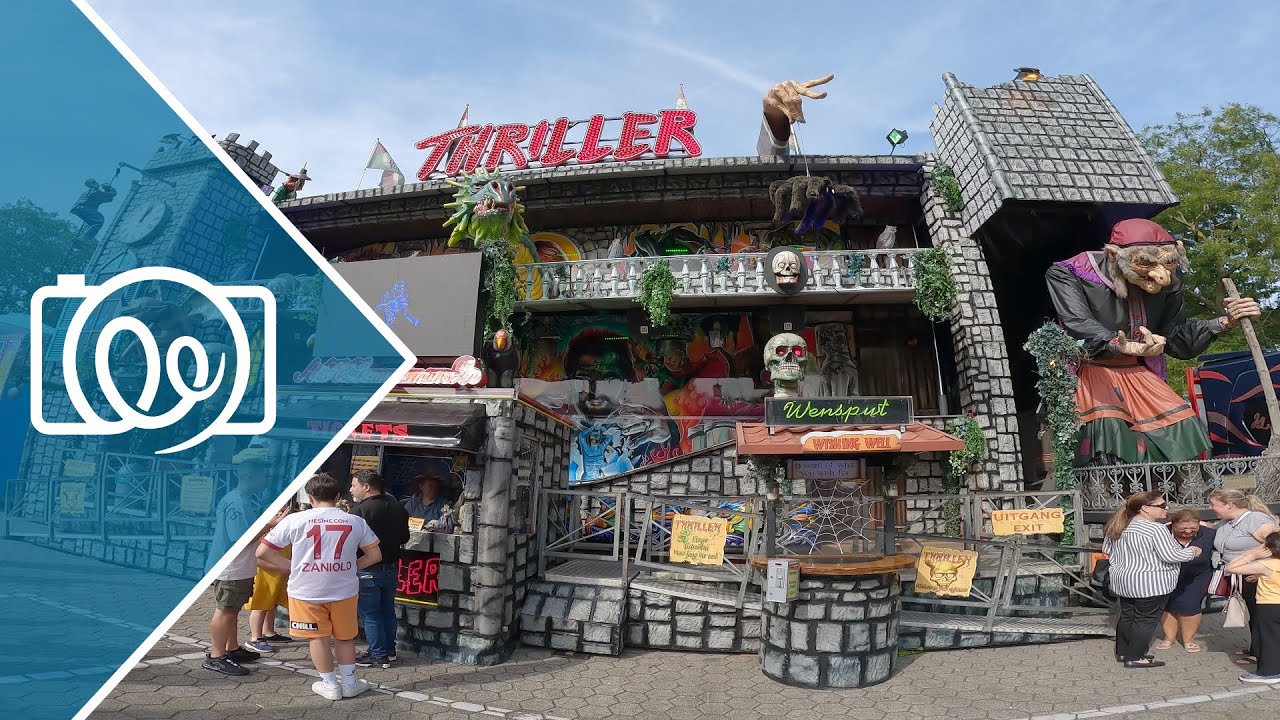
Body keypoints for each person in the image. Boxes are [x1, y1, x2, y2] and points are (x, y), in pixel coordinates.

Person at [258, 473, 382, 701]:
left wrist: (292, 567)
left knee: (317, 638)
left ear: (310, 496)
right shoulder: (355, 520)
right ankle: (350, 682)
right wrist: (350, 567)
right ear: (337, 496)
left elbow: (263, 552)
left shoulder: (294, 520)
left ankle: (329, 684)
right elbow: (375, 554)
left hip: (306, 590)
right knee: (345, 637)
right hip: (344, 589)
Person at [1102, 491, 1200, 668]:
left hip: (1124, 580)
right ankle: (1136, 656)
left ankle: (1124, 653)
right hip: (1150, 582)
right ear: (1145, 509)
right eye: (1161, 506)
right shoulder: (1155, 529)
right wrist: (1192, 551)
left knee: (1127, 616)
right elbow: (1170, 555)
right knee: (1145, 620)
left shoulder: (1120, 525)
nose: (1166, 508)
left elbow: (1107, 550)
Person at [201, 444, 272, 676]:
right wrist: (270, 524)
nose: (267, 479)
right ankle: (216, 655)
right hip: (231, 567)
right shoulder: (238, 502)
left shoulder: (241, 499)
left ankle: (230, 648)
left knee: (232, 609)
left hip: (239, 566)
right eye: (264, 474)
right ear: (250, 475)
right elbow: (239, 538)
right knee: (226, 610)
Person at [1208, 488, 1280, 667]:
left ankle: (1261, 653)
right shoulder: (1228, 521)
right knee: (1252, 614)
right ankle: (1256, 647)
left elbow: (1276, 544)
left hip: (1255, 576)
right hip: (1239, 575)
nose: (1211, 508)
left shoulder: (1256, 520)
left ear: (1229, 505)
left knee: (1259, 615)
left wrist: (1260, 569)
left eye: (1213, 504)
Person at [349, 469, 410, 669]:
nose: (351, 489)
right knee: (387, 611)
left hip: (367, 568)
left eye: (354, 485)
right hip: (392, 567)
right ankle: (389, 651)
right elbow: (405, 538)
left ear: (366, 487)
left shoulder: (358, 512)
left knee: (371, 614)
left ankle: (377, 655)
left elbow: (350, 542)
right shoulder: (398, 507)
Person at [1156, 509, 1216, 652]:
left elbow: (1226, 533)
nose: (1188, 531)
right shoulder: (1162, 532)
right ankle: (1169, 637)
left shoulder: (1208, 534)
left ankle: (1189, 639)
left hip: (1198, 575)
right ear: (1173, 524)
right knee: (1167, 604)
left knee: (1190, 604)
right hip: (1167, 573)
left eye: (1193, 528)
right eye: (1183, 528)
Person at [1224, 533, 1280, 683]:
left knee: (1268, 639)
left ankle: (1269, 672)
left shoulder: (1266, 565)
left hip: (1270, 605)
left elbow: (1231, 567)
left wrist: (1252, 554)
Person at [243, 502, 294, 654]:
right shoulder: (262, 531)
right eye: (278, 510)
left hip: (279, 575)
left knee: (272, 604)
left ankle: (269, 631)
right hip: (264, 575)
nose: (282, 513)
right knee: (260, 606)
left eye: (285, 509)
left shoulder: (283, 530)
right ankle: (255, 637)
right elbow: (256, 557)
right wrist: (278, 568)